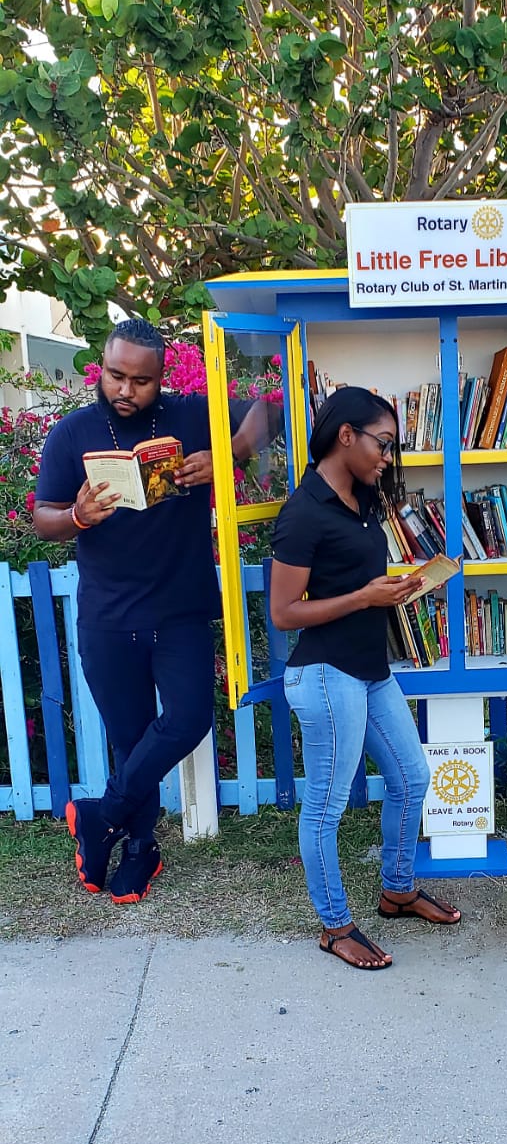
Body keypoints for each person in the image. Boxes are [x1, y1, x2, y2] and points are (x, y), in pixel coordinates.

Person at [34, 318, 274, 903]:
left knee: (189, 718)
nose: (125, 390)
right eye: (116, 376)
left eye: (141, 381)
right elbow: (44, 519)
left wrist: (230, 453)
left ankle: (100, 815)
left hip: (180, 610)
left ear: (160, 378)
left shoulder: (193, 415)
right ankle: (140, 850)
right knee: (131, 737)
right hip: (108, 617)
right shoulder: (73, 433)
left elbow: (270, 410)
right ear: (103, 365)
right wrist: (78, 518)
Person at [270, 387, 461, 970]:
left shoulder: (361, 502)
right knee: (326, 807)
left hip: (370, 673)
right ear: (344, 434)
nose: (387, 457)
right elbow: (284, 613)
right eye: (382, 443)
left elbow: (356, 585)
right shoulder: (303, 512)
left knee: (412, 777)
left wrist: (397, 588)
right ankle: (334, 926)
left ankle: (397, 891)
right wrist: (362, 597)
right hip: (326, 677)